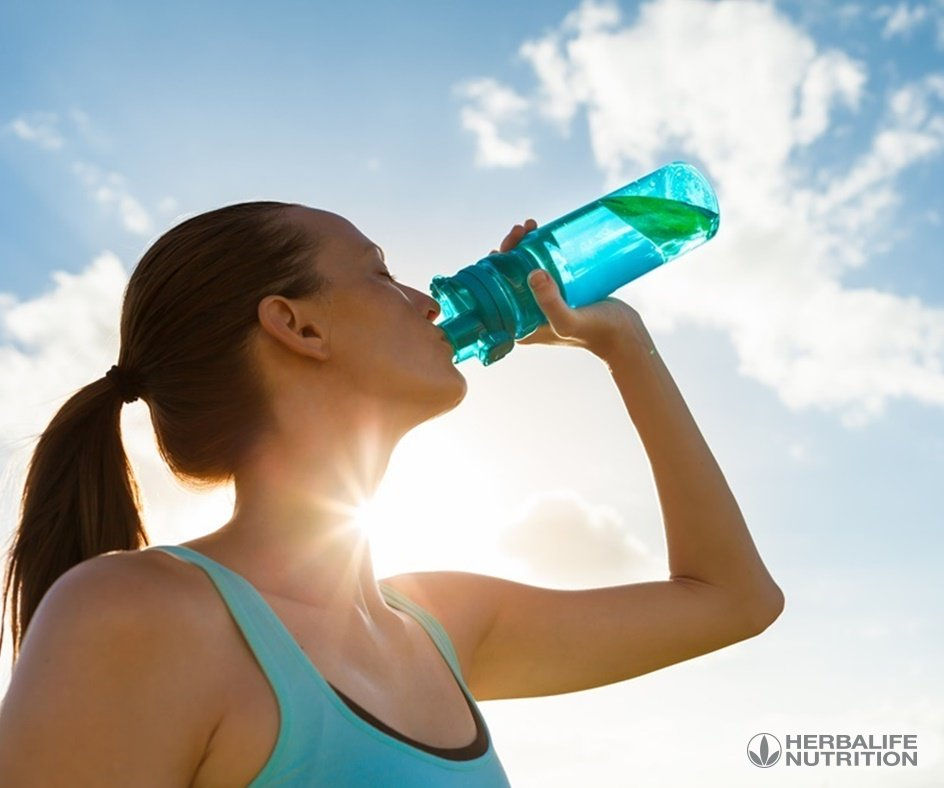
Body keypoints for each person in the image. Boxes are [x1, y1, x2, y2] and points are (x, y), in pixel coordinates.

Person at [0, 202, 784, 786]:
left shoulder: (439, 625)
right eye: (380, 274)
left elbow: (735, 600)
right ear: (299, 327)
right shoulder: (138, 614)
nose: (429, 300)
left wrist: (622, 343)